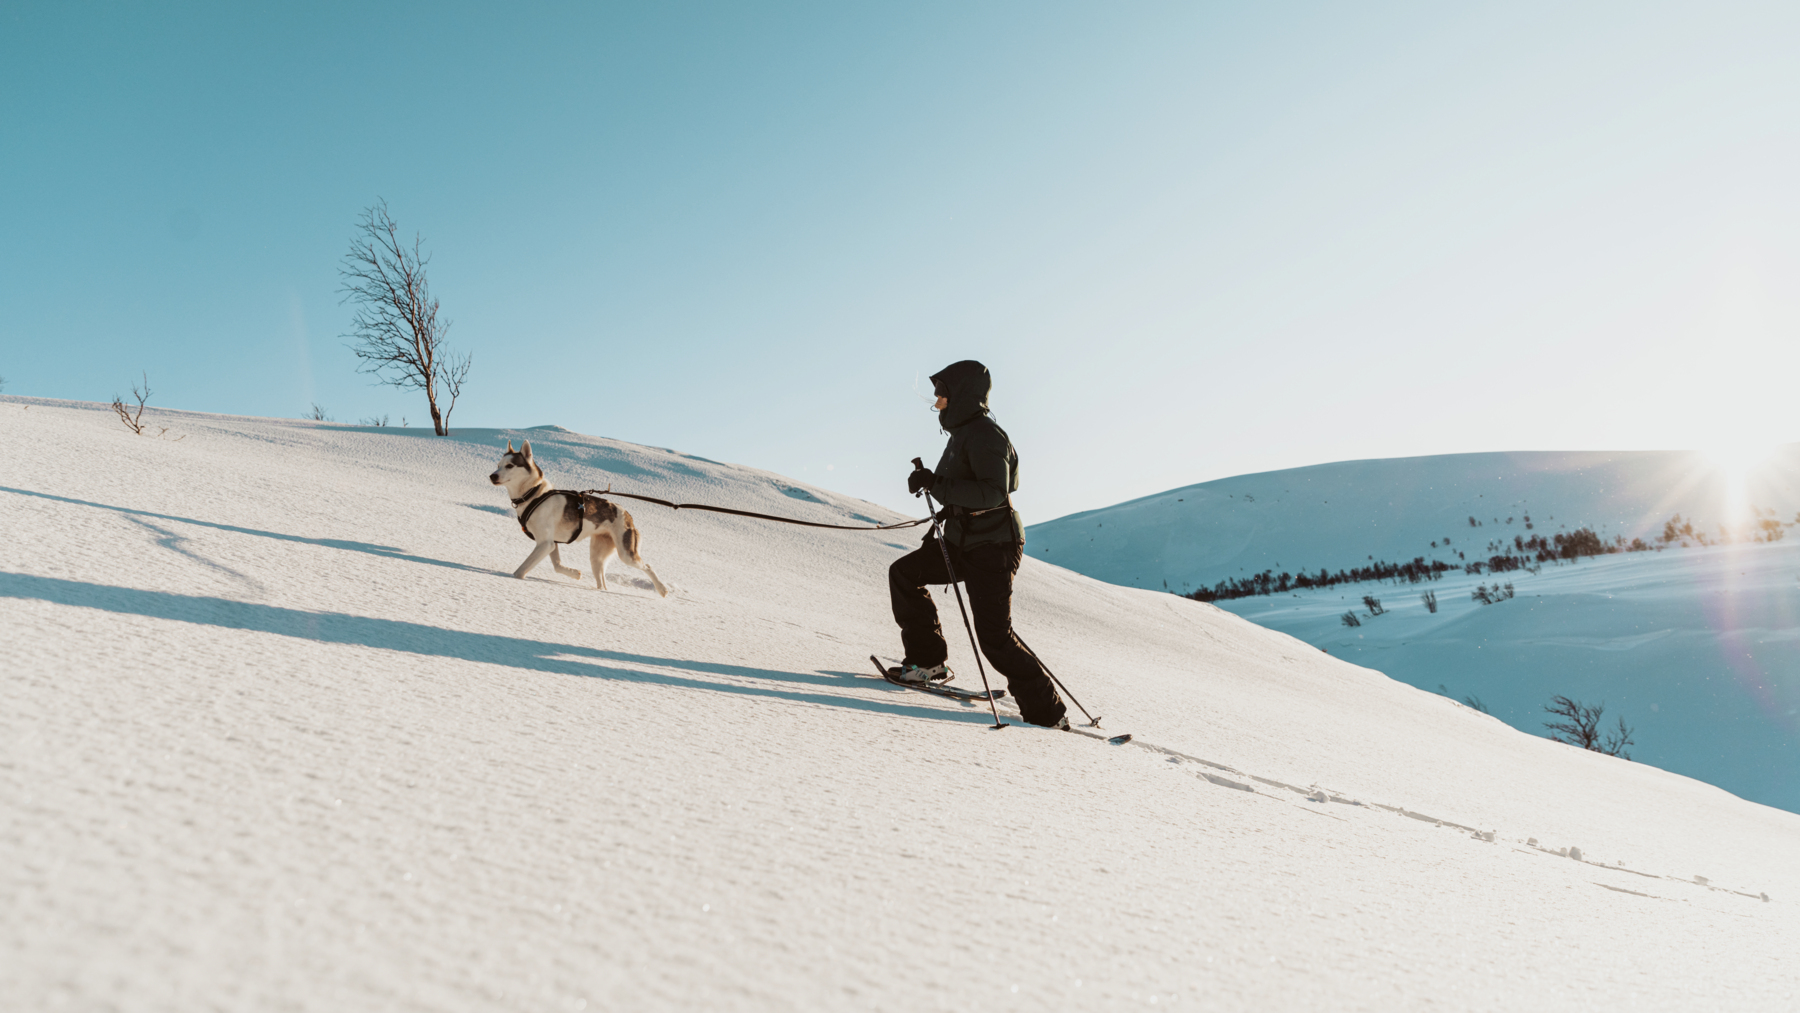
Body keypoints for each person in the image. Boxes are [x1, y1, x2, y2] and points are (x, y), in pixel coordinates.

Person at [888, 360, 1069, 729]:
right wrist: (930, 481)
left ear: (962, 396)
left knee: (995, 638)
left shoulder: (986, 435)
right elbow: (961, 488)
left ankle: (1048, 715)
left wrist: (936, 484)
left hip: (993, 546)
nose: (937, 401)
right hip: (961, 540)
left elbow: (991, 492)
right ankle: (927, 663)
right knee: (904, 574)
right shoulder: (962, 435)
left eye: (942, 393)